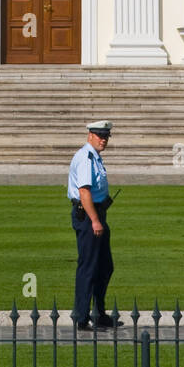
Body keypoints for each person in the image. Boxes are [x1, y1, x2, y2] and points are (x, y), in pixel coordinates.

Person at [68, 120, 120, 330]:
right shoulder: (86, 158)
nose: (103, 139)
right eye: (100, 135)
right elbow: (84, 192)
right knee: (89, 267)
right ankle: (81, 316)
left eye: (106, 136)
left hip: (97, 214)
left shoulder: (94, 157)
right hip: (89, 216)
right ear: (90, 135)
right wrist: (95, 221)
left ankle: (98, 311)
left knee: (104, 266)